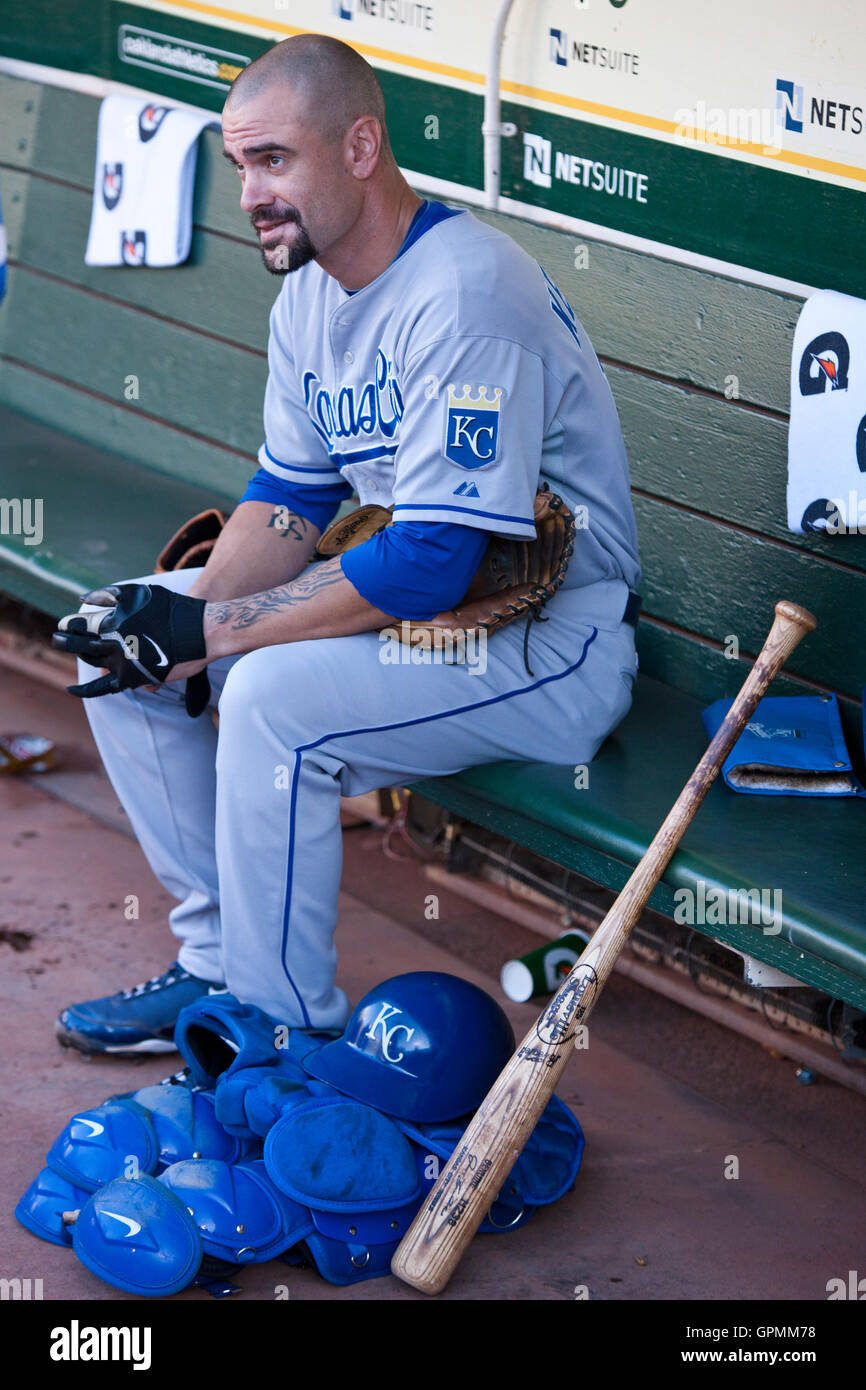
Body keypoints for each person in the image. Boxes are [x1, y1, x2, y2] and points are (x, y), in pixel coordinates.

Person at [54, 32, 641, 1055]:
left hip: (550, 647)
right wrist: (177, 622)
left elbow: (430, 562)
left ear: (359, 146)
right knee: (123, 626)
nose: (248, 193)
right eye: (240, 166)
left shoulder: (466, 294)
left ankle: (276, 1029)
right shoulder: (311, 296)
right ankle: (214, 962)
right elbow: (287, 499)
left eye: (273, 160)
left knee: (272, 697)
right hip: (427, 624)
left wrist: (218, 631)